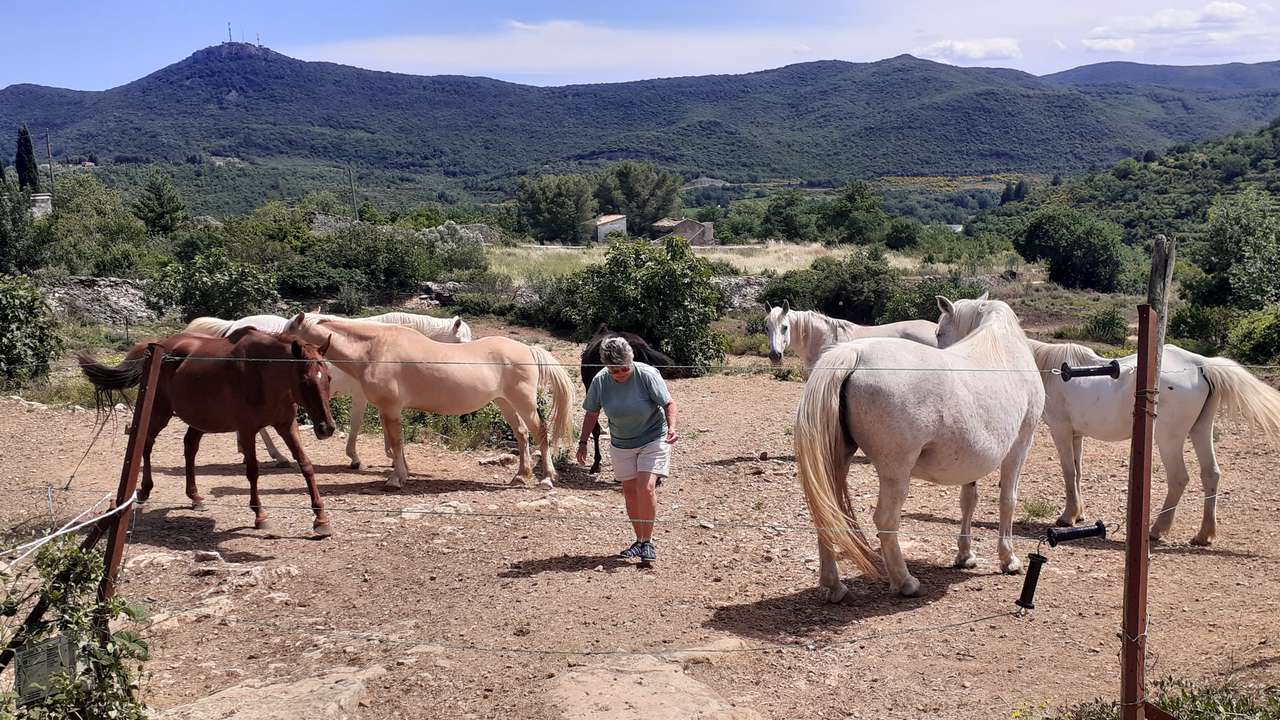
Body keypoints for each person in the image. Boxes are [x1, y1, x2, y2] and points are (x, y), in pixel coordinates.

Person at [576, 336, 678, 563]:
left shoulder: (647, 375)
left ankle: (648, 542)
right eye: (614, 371)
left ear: (630, 361)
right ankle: (640, 540)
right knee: (630, 492)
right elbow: (592, 413)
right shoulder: (601, 381)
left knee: (646, 487)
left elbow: (668, 403)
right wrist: (583, 442)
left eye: (623, 369)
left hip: (654, 437)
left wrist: (672, 427)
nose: (619, 374)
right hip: (621, 442)